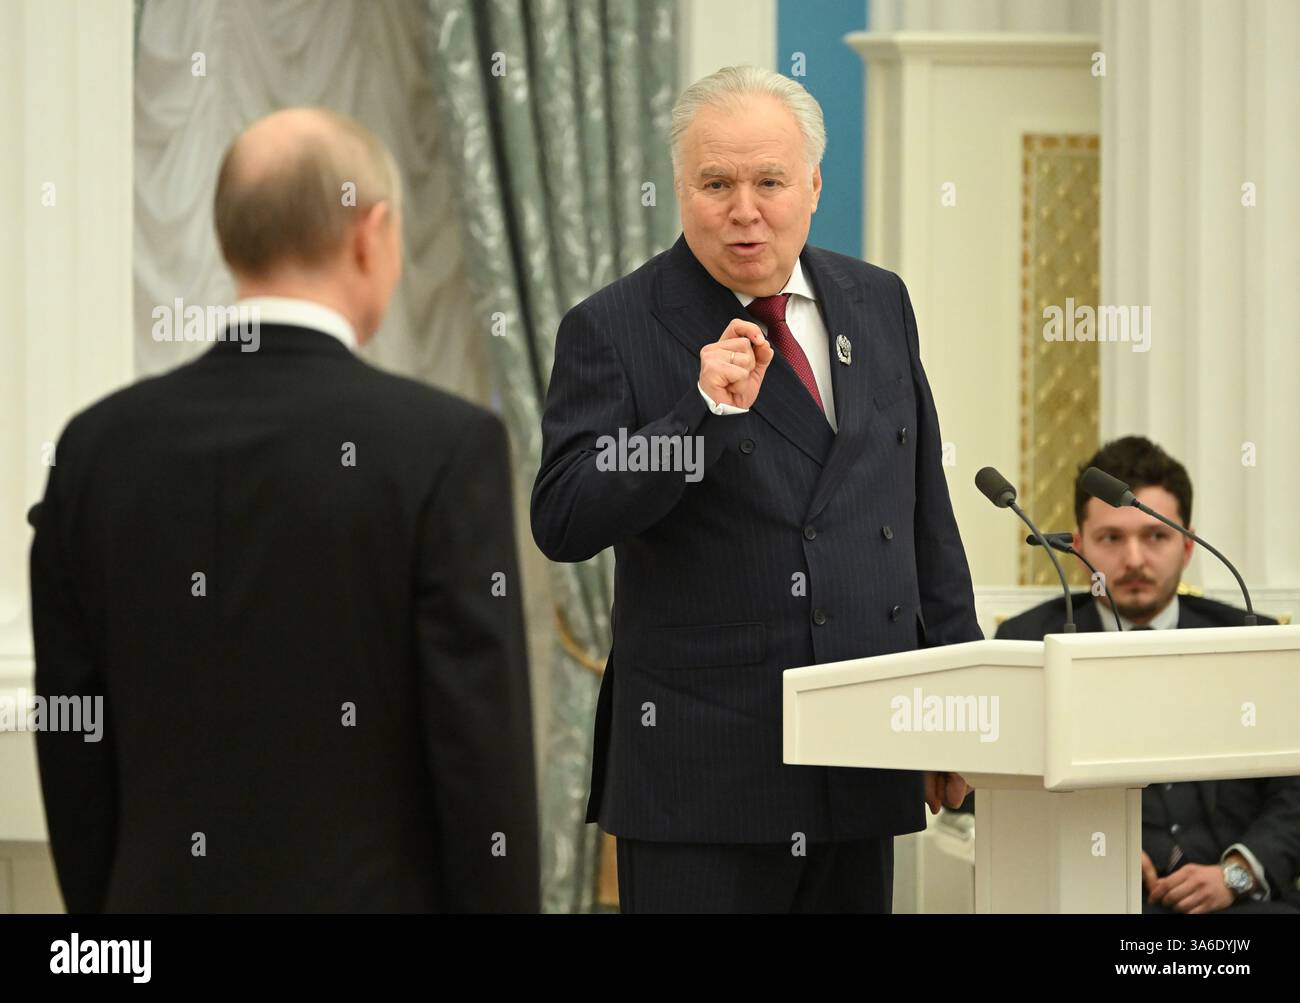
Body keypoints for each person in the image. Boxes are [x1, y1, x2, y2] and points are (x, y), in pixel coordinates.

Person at [30, 107, 539, 912]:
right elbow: (481, 754)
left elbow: (71, 730)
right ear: (371, 234)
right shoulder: (444, 447)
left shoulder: (93, 450)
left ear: (230, 238)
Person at [531, 66, 980, 913]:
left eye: (770, 180)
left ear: (813, 184)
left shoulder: (878, 301)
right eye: (717, 183)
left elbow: (923, 514)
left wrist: (955, 701)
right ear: (680, 189)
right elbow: (563, 514)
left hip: (862, 751)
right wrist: (696, 413)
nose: (745, 209)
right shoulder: (614, 326)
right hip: (706, 777)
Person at [994, 436, 1300, 914]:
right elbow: (987, 786)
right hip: (1093, 893)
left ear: (1187, 545)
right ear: (1078, 546)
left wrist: (1238, 871)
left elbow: (1293, 787)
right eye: (1111, 538)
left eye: (1155, 536)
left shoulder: (1247, 636)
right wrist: (1088, 844)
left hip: (1238, 901)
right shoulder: (1026, 641)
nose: (1134, 560)